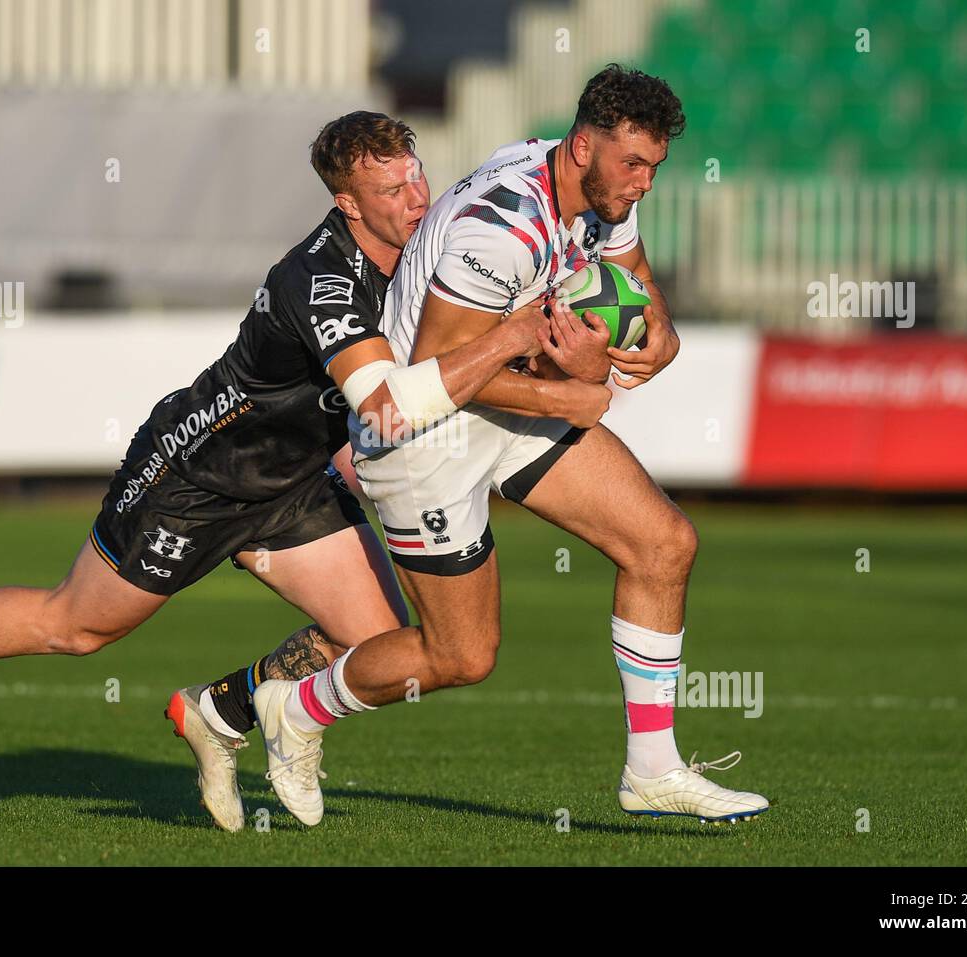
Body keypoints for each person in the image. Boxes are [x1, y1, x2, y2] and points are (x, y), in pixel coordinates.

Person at [0, 112, 601, 835]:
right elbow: (389, 409)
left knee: (372, 640)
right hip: (196, 475)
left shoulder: (432, 246)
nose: (415, 196)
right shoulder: (319, 280)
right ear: (348, 202)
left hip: (293, 486)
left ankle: (219, 707)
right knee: (74, 627)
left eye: (417, 174)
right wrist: (515, 347)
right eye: (390, 188)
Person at [250, 66, 771, 827]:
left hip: (503, 406)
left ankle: (653, 769)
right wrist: (574, 392)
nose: (644, 184)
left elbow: (633, 277)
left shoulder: (594, 191)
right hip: (418, 437)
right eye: (633, 164)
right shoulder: (500, 230)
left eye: (655, 168)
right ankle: (293, 708)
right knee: (461, 656)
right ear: (585, 144)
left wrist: (660, 332)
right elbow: (433, 373)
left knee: (664, 544)